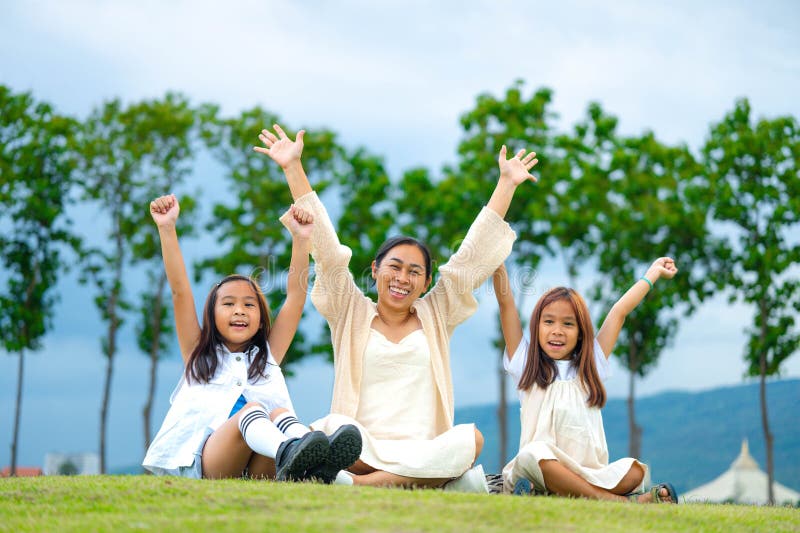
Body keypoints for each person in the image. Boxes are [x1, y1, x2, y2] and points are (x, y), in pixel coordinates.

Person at [254, 124, 537, 489]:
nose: (404, 278)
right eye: (395, 268)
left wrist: (506, 184)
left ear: (426, 281)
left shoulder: (437, 313)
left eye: (415, 272)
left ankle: (352, 485)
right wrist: (293, 168)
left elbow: (470, 259)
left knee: (471, 440)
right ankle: (405, 480)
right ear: (375, 271)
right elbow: (327, 253)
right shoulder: (350, 310)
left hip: (422, 449)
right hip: (358, 447)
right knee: (328, 429)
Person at [142, 193, 361, 483]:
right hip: (211, 462)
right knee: (255, 409)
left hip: (261, 467)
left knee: (279, 412)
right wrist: (167, 229)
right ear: (211, 313)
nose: (239, 311)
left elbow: (295, 297)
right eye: (229, 303)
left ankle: (320, 468)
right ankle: (304, 459)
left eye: (249, 305)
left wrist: (301, 238)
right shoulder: (199, 352)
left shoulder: (267, 355)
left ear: (260, 320)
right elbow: (180, 291)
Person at [492, 258, 680, 503]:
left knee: (634, 470)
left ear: (581, 333)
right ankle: (619, 502)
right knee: (532, 454)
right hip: (541, 467)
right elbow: (506, 304)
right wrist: (497, 260)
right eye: (548, 322)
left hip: (590, 474)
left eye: (568, 324)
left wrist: (652, 275)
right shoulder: (525, 365)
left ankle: (567, 493)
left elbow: (619, 312)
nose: (557, 330)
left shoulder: (591, 367)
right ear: (536, 326)